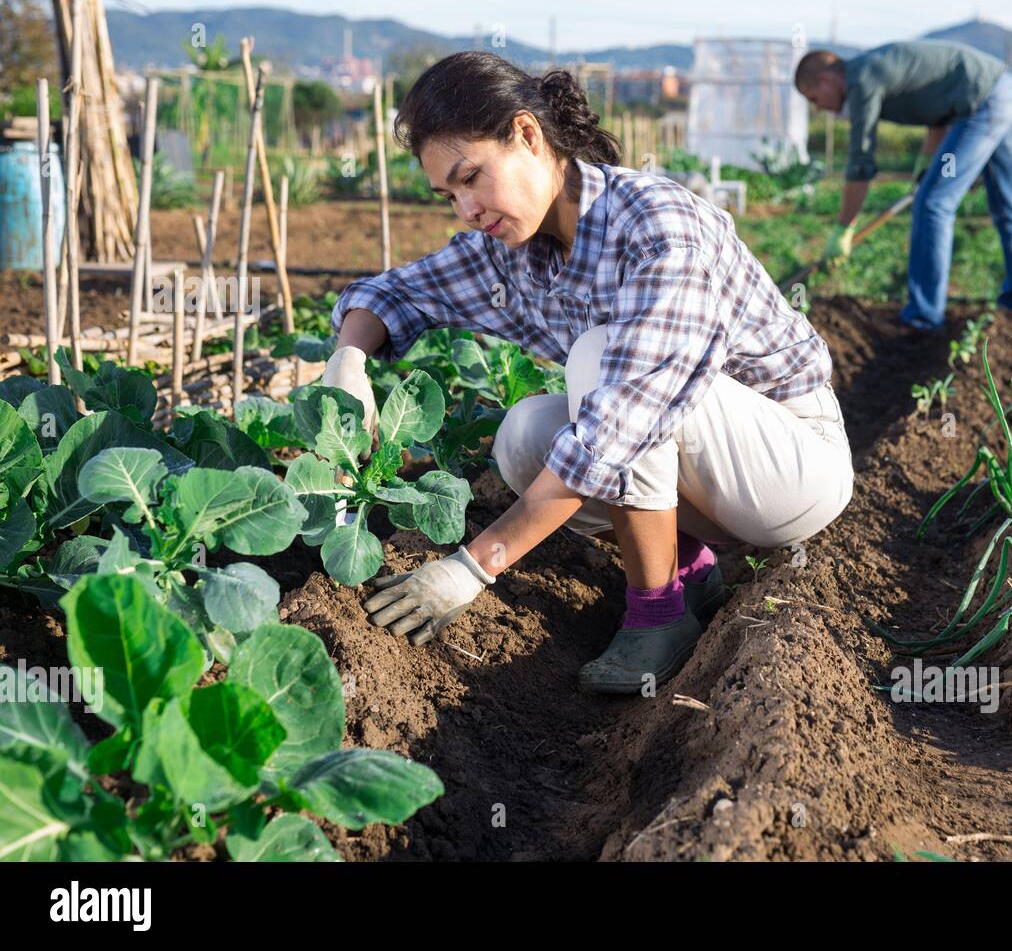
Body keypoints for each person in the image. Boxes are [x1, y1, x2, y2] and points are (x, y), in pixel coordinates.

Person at [323, 51, 855, 695]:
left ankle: (657, 609)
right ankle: (690, 567)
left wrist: (473, 566)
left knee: (600, 361)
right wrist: (348, 359)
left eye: (471, 178)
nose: (465, 208)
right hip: (707, 474)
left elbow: (621, 427)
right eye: (449, 194)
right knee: (524, 434)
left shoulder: (660, 228)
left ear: (527, 134)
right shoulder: (509, 249)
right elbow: (393, 294)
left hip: (791, 469)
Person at [795, 41, 1012, 330]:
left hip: (983, 103)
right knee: (1008, 204)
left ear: (826, 79)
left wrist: (843, 229)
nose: (818, 107)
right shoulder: (875, 69)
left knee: (934, 204)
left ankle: (923, 316)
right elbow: (938, 117)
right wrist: (926, 167)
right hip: (1003, 91)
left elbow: (860, 164)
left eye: (814, 98)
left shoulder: (862, 80)